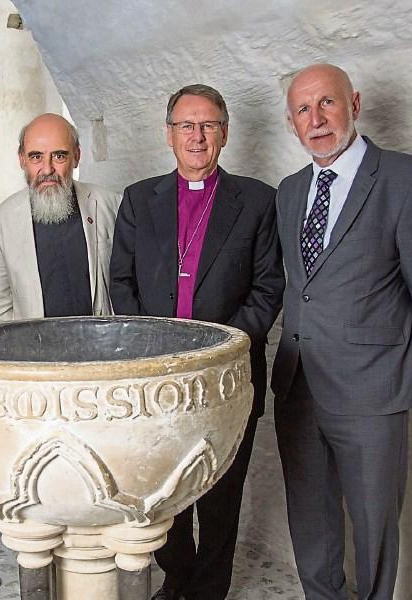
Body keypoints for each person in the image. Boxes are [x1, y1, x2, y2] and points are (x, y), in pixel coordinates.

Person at [272, 63, 412, 600]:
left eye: (326, 103)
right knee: (311, 522)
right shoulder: (289, 191)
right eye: (303, 110)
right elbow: (301, 286)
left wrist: (400, 360)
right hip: (298, 383)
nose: (316, 119)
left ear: (353, 104)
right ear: (292, 123)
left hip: (373, 393)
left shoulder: (406, 180)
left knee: (375, 526)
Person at [110, 84, 285, 600]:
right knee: (166, 491)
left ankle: (210, 588)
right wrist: (152, 342)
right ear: (169, 135)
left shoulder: (257, 200)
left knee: (222, 495)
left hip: (228, 375)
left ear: (225, 134)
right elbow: (122, 281)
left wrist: (223, 346)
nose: (197, 135)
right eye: (186, 125)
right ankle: (177, 576)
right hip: (158, 376)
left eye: (208, 125)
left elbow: (268, 286)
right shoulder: (140, 199)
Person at [0, 113, 121, 321]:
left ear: (76, 157)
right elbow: (2, 309)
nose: (47, 169)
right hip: (34, 349)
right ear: (22, 159)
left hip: (101, 347)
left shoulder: (110, 205)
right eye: (36, 156)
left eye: (59, 156)